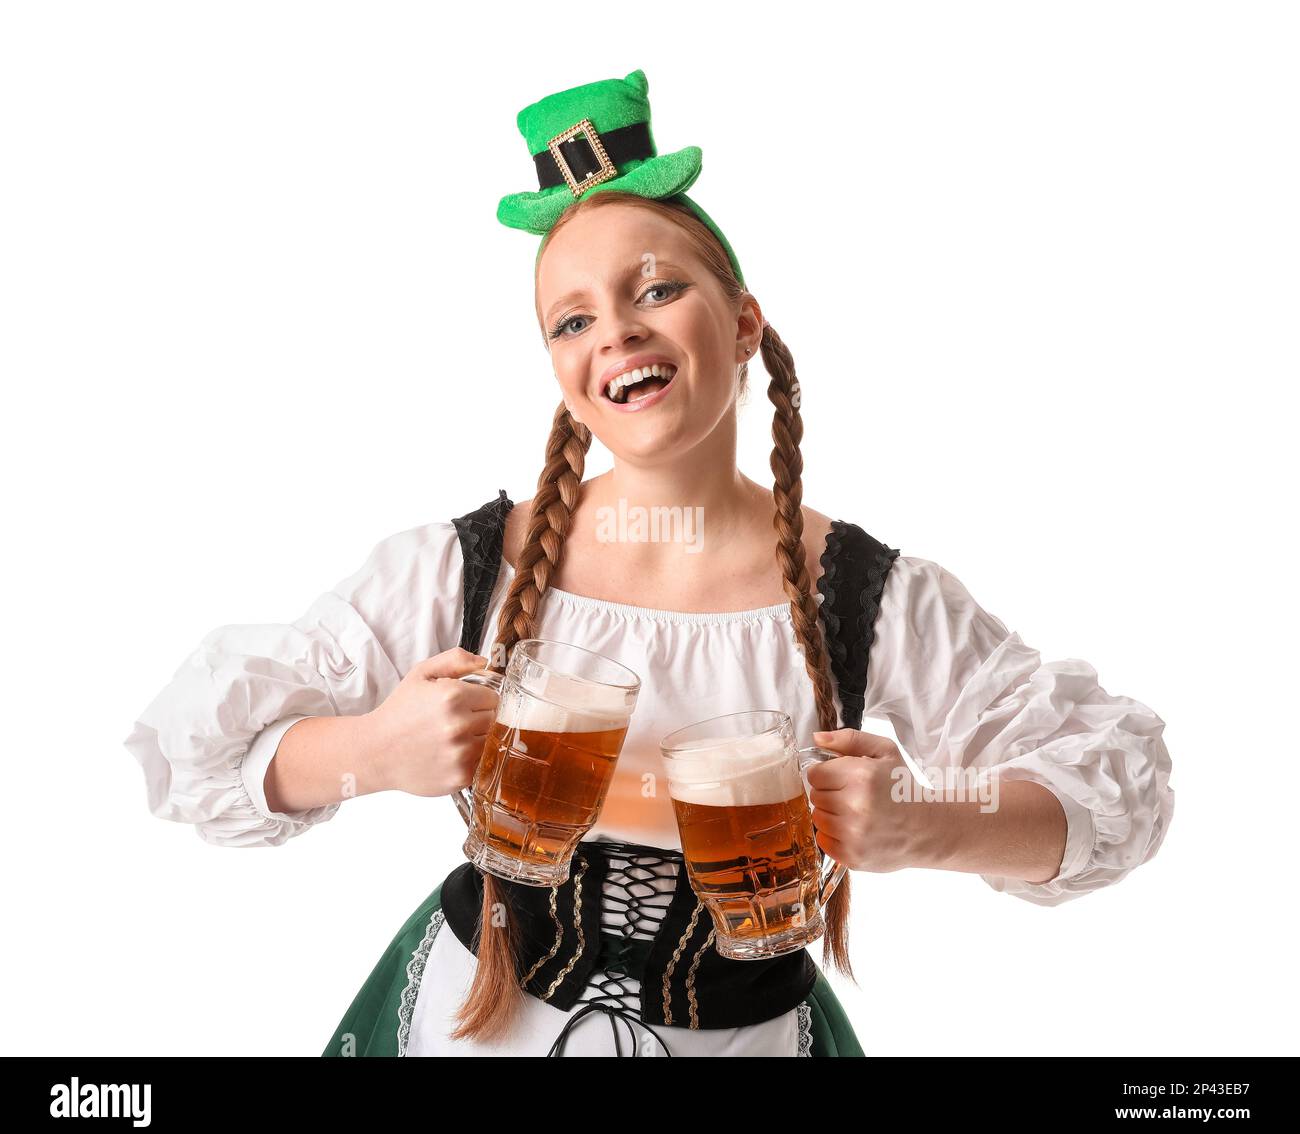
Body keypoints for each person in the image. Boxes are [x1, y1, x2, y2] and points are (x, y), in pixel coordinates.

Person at [123, 69, 1175, 1057]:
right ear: (560, 368)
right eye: (571, 318)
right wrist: (370, 751)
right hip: (470, 1024)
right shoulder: (462, 569)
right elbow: (195, 750)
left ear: (744, 320)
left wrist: (923, 816)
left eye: (655, 289)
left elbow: (1107, 795)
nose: (615, 331)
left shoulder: (869, 596)